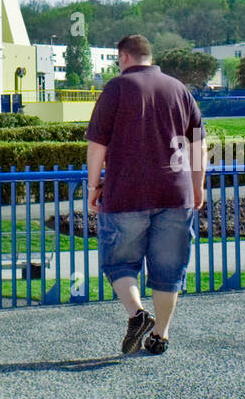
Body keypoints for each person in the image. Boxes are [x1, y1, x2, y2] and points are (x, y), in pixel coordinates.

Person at [85, 34, 206, 356]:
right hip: (176, 194)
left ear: (123, 57)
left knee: (119, 262)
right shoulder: (179, 89)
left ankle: (137, 314)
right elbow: (198, 144)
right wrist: (197, 185)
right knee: (169, 270)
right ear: (149, 56)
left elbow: (98, 145)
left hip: (126, 193)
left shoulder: (116, 89)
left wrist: (93, 186)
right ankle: (160, 335)